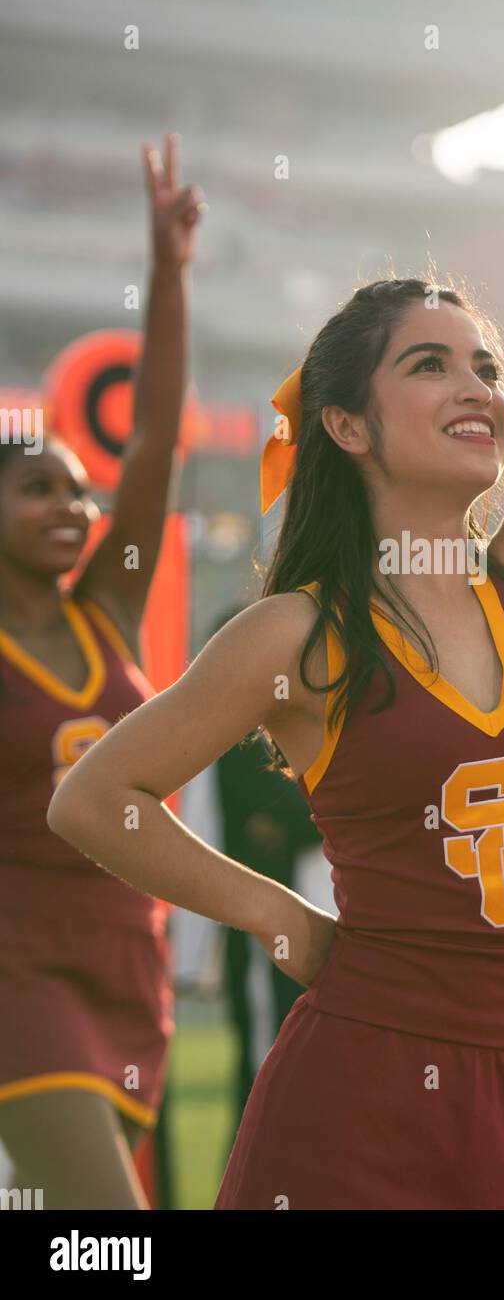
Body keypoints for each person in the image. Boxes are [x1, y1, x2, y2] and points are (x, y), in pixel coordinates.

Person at [47, 0, 504, 1209]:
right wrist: (279, 918)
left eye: (480, 367)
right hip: (354, 1099)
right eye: (430, 365)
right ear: (344, 420)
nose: (479, 388)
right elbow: (95, 797)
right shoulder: (296, 634)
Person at [0, 136, 203, 1209]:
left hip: (132, 957)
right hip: (17, 960)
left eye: (78, 491)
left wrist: (166, 277)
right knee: (111, 1229)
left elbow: (156, 440)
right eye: (37, 488)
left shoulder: (107, 610)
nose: (72, 510)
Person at [212, 605, 322, 1142]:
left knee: (294, 1058)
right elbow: (304, 817)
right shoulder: (232, 732)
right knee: (265, 1055)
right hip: (257, 914)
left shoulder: (279, 722)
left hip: (294, 908)